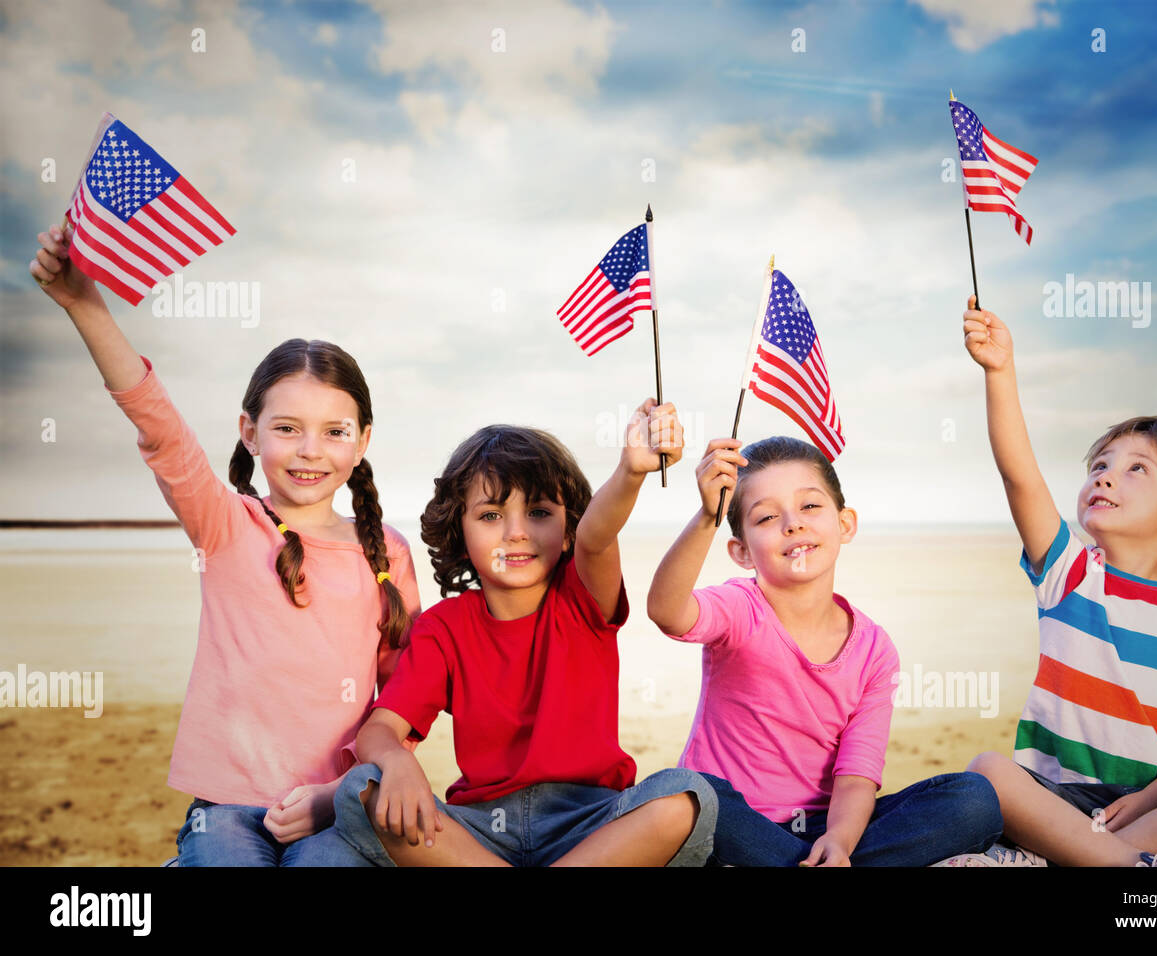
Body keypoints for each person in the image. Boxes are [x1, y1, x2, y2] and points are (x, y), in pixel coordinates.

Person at [29, 221, 420, 866]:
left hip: (335, 806)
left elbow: (405, 700)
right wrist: (84, 302)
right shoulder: (227, 523)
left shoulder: (388, 553)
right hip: (227, 810)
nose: (310, 451)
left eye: (334, 431)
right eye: (288, 427)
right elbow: (159, 426)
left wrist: (338, 793)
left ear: (363, 439)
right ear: (249, 430)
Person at [328, 405, 718, 866]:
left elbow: (597, 536)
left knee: (688, 795)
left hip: (590, 823)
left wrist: (629, 473)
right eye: (491, 515)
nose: (516, 534)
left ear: (569, 528)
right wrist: (397, 762)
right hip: (480, 832)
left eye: (538, 512)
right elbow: (381, 729)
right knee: (360, 789)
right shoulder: (443, 628)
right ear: (460, 528)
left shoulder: (583, 597)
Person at [959, 294, 1157, 866]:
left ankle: (1095, 857)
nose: (1105, 478)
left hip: (1150, 805)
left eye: (1135, 469)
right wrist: (1000, 372)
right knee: (987, 773)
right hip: (1053, 797)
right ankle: (1120, 866)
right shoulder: (1071, 575)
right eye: (1099, 466)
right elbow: (1021, 478)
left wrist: (1154, 798)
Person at [646, 434, 1003, 866]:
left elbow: (856, 776)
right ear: (741, 552)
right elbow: (667, 611)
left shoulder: (874, 649)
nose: (793, 523)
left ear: (845, 523)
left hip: (822, 824)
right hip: (735, 822)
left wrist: (839, 842)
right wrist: (707, 516)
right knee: (687, 794)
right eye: (766, 517)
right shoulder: (740, 608)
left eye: (810, 506)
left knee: (972, 799)